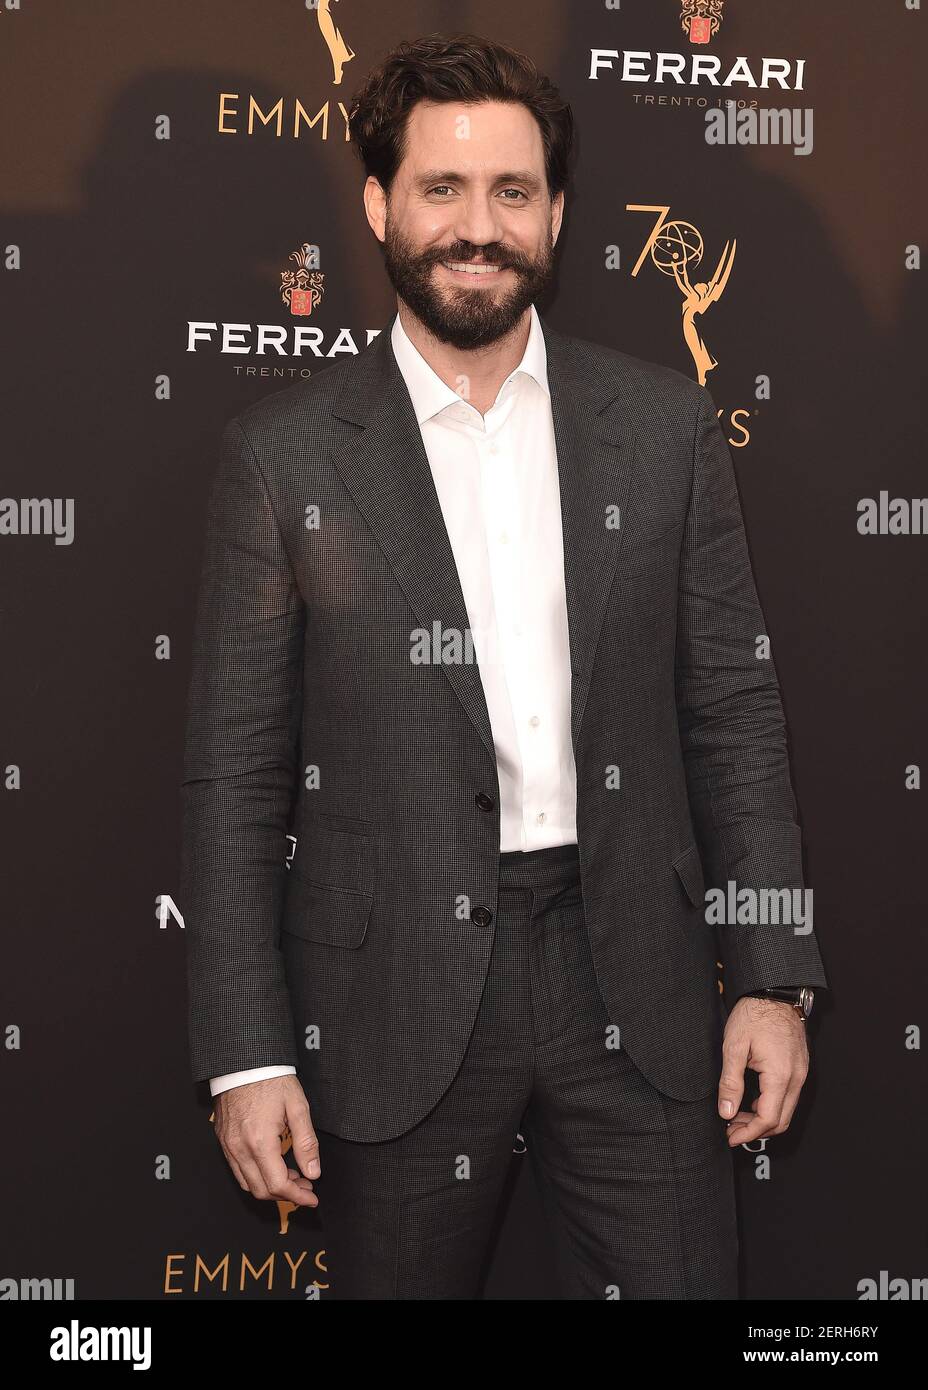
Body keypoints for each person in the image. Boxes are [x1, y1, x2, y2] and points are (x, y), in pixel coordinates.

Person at [181, 32, 828, 1299]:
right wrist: (247, 1051)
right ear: (379, 204)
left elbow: (731, 709)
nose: (477, 227)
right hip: (391, 1002)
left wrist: (770, 971)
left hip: (633, 979)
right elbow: (235, 772)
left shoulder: (662, 428)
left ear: (556, 214)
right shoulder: (284, 458)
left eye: (511, 192)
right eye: (442, 189)